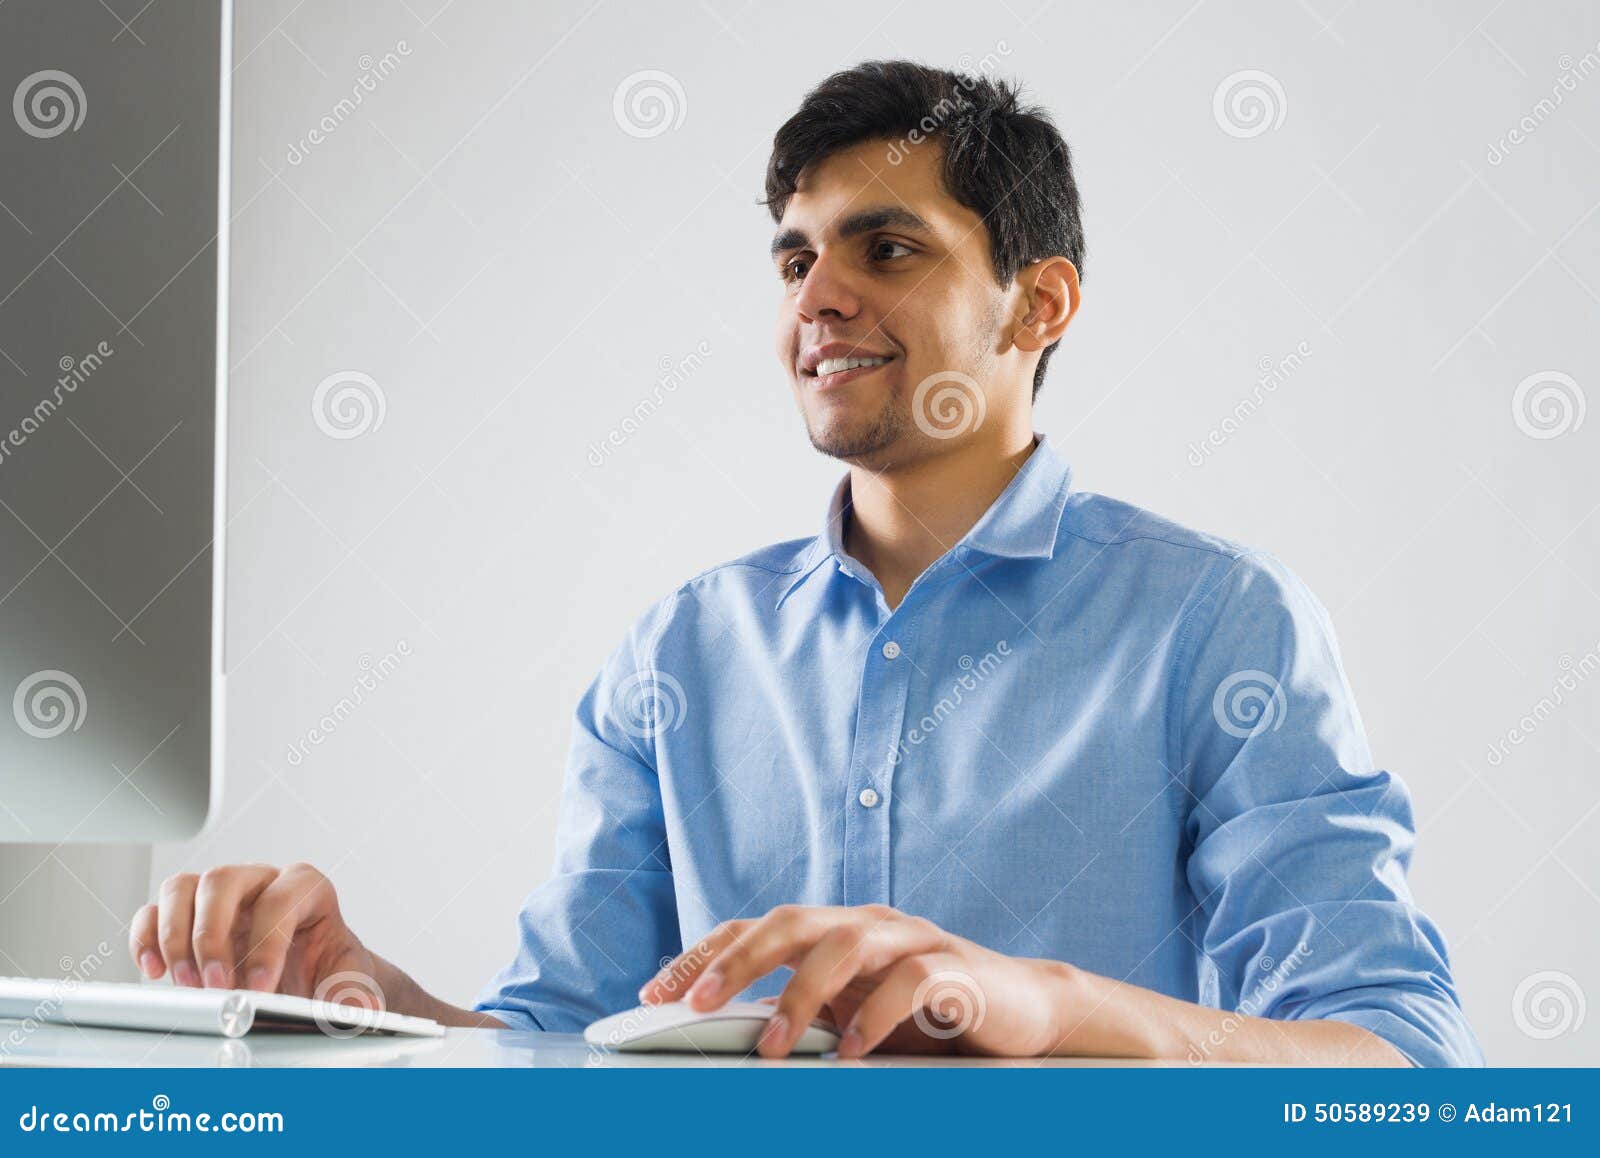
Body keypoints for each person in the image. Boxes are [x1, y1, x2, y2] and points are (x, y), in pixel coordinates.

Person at [129, 60, 1482, 1065]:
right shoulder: (682, 649)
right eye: (794, 257)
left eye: (886, 247)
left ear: (1043, 302)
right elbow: (557, 1043)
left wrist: (1041, 1002)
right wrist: (362, 996)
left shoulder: (1215, 623)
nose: (816, 298)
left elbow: (1403, 1064)